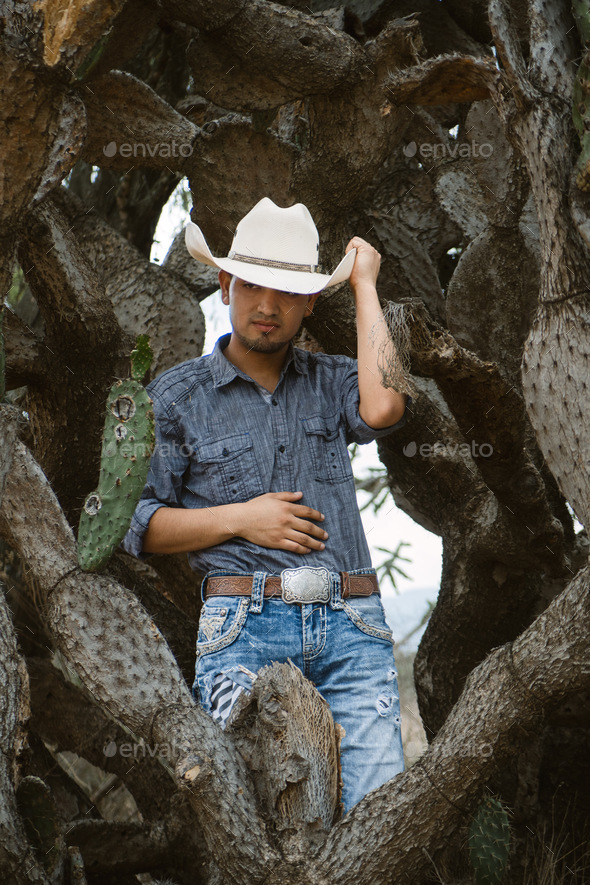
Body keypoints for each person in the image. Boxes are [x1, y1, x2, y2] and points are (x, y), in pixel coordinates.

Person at [122, 197, 410, 814]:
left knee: (379, 813)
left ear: (309, 302)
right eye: (252, 285)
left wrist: (363, 286)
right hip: (243, 632)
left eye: (287, 292)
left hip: (352, 622)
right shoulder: (177, 398)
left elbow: (385, 407)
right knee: (255, 823)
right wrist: (243, 518)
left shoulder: (333, 382)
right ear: (225, 285)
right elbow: (138, 524)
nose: (268, 306)